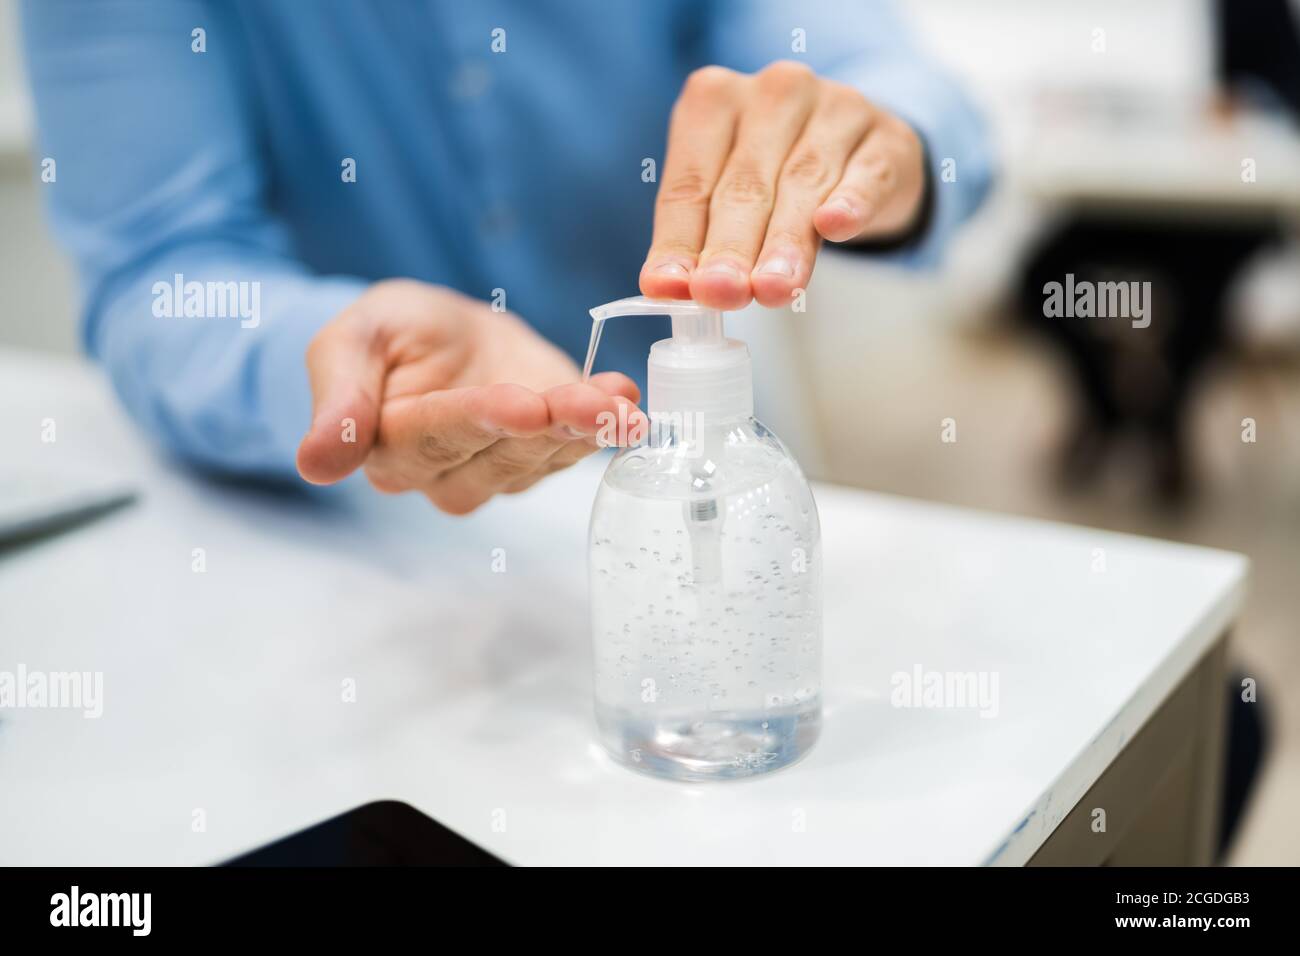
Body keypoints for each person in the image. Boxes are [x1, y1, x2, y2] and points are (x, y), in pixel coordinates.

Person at [21, 0, 990, 514]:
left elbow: (888, 79)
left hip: (707, 483)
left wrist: (878, 146)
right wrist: (336, 359)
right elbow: (160, 268)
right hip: (358, 550)